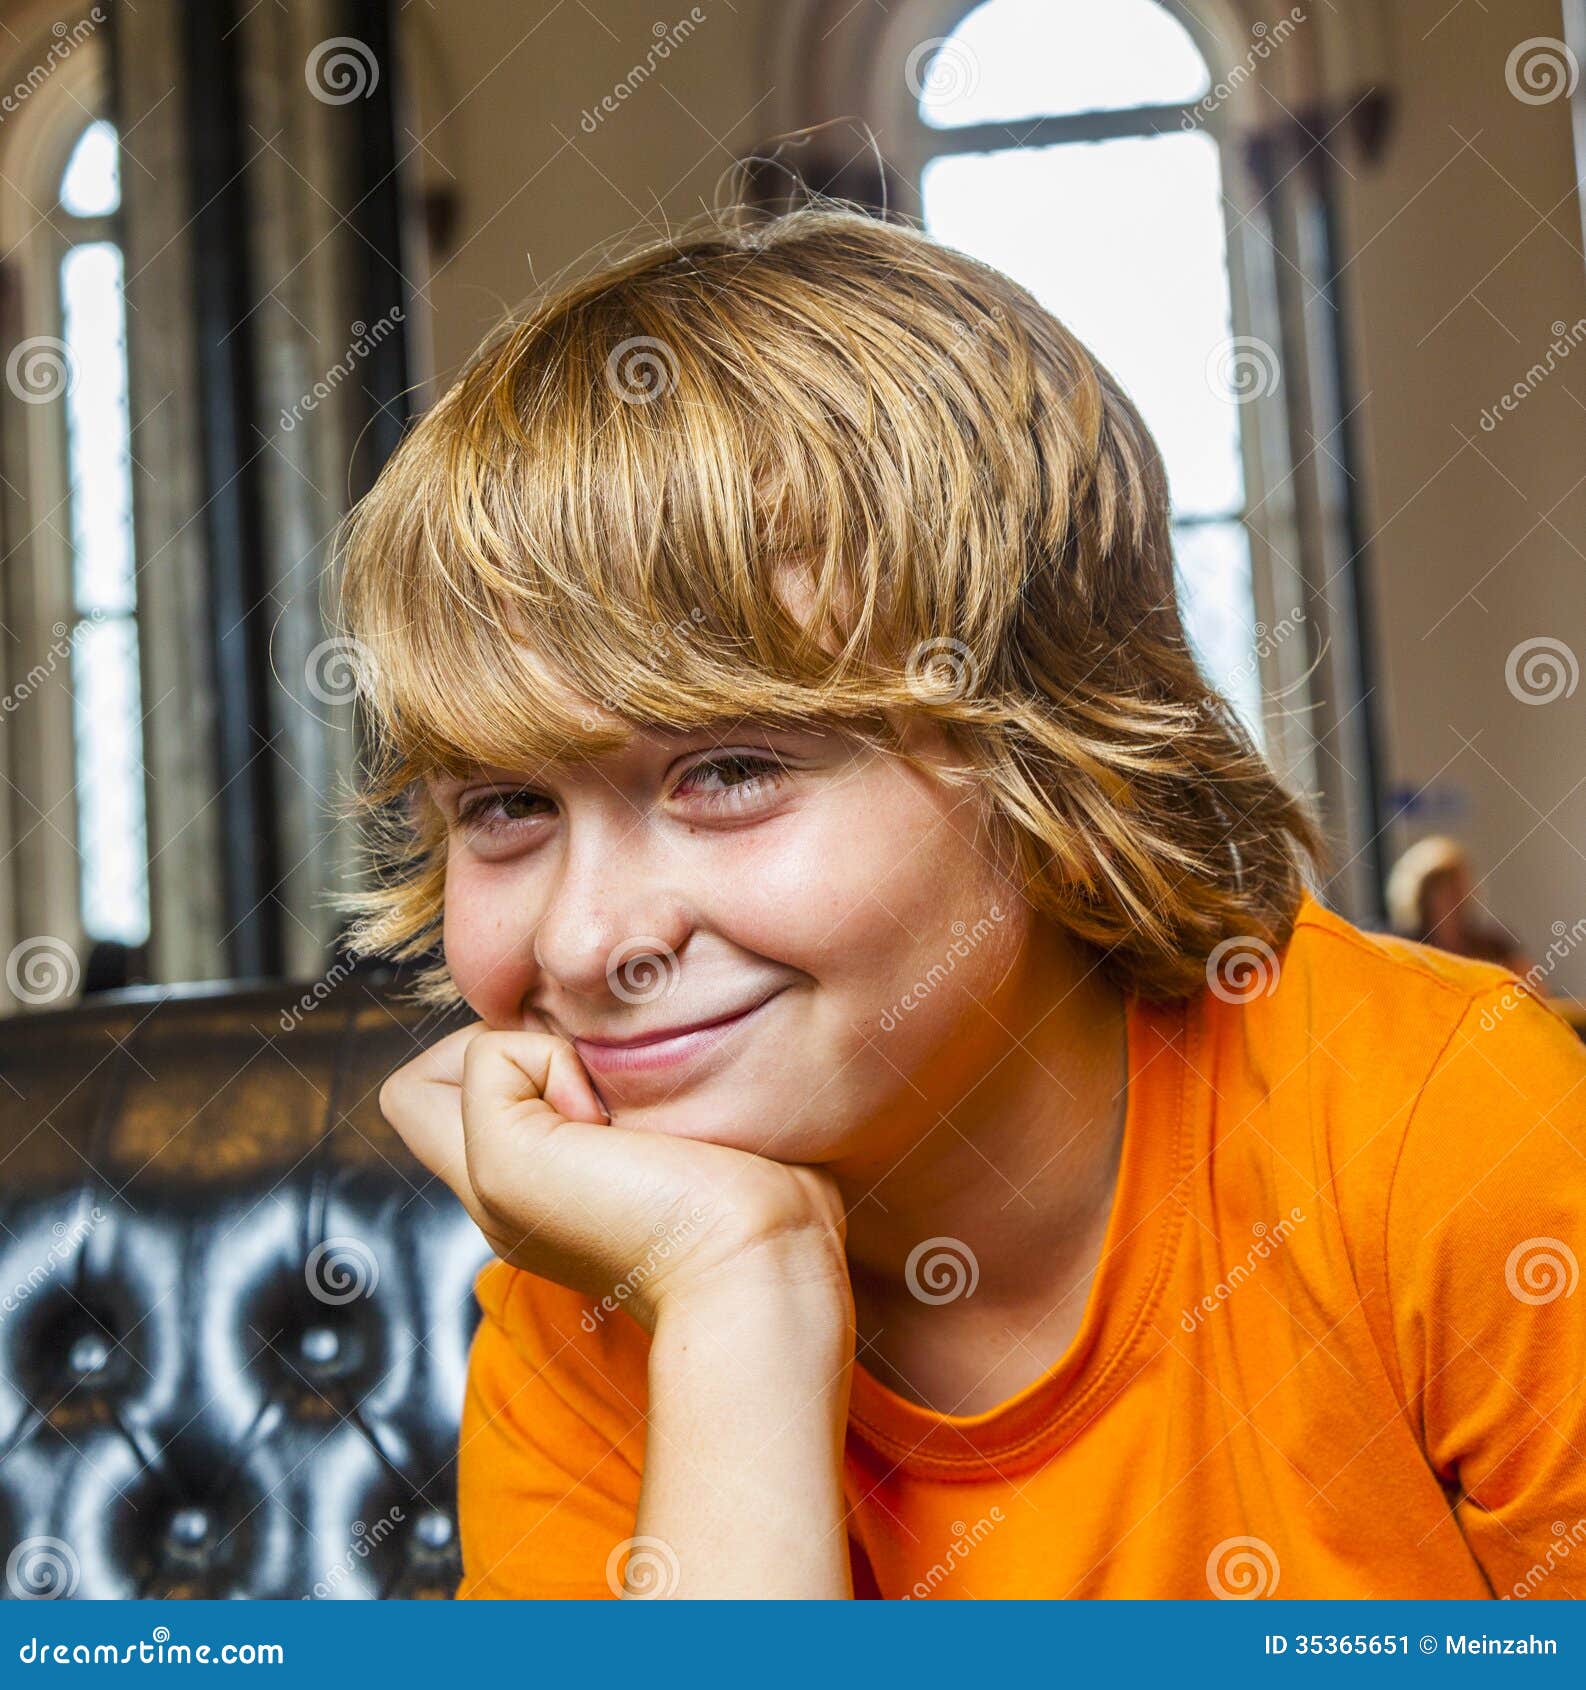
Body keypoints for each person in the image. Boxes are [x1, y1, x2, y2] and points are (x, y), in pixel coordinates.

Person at [334, 207, 1586, 1600]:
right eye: (505, 805)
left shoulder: (1452, 1142)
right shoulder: (600, 1284)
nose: (581, 939)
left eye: (731, 769)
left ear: (1045, 757)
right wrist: (739, 1289)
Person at [1386, 835, 1532, 975]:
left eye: (1459, 888)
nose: (1456, 898)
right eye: (1442, 890)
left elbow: (1533, 991)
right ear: (1421, 899)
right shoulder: (1406, 955)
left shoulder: (1495, 948)